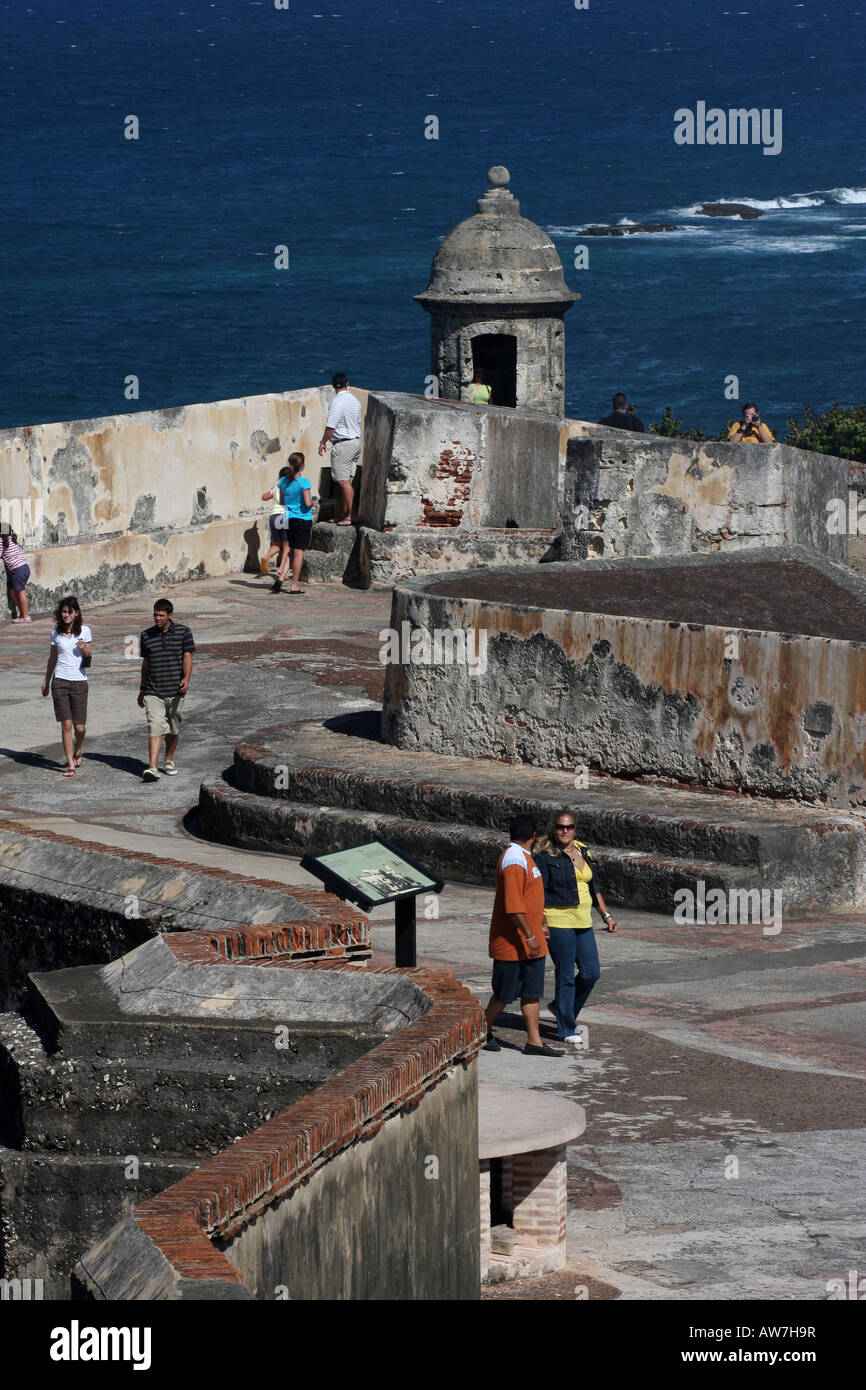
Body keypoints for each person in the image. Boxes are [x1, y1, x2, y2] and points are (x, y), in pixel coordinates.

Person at [534, 809, 618, 1047]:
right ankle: (566, 1028)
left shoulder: (583, 849)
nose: (565, 831)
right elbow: (537, 892)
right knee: (566, 974)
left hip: (583, 921)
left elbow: (594, 887)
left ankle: (561, 1008)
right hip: (558, 920)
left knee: (592, 972)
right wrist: (541, 921)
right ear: (554, 828)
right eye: (561, 827)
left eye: (569, 827)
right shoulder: (545, 855)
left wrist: (606, 915)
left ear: (574, 829)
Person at [484, 813, 563, 1057]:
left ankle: (534, 1041)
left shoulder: (525, 858)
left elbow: (530, 901)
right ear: (533, 836)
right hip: (513, 943)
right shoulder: (514, 861)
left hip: (531, 942)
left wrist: (541, 923)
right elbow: (514, 907)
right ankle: (480, 1030)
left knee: (532, 992)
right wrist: (530, 935)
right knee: (504, 993)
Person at [137, 598, 195, 782]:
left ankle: (168, 759)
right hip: (153, 690)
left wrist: (186, 678)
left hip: (176, 690)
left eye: (161, 615)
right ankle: (152, 767)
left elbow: (187, 657)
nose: (157, 618)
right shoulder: (146, 635)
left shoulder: (183, 632)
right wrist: (142, 688)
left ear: (170, 615)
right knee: (155, 727)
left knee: (173, 728)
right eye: (155, 615)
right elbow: (146, 664)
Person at [40, 596, 92, 776]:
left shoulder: (85, 631)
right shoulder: (55, 633)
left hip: (79, 682)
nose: (66, 615)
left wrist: (84, 648)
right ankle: (70, 763)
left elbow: (89, 655)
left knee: (80, 728)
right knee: (66, 724)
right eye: (63, 611)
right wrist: (47, 680)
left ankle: (79, 748)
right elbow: (53, 658)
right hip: (60, 682)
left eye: (70, 612)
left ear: (76, 613)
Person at [318, 372, 361, 525]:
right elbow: (357, 423)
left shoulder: (337, 402)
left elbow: (331, 426)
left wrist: (323, 442)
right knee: (347, 481)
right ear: (347, 383)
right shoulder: (355, 401)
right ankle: (344, 514)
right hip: (355, 442)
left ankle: (351, 516)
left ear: (333, 386)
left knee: (343, 482)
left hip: (343, 445)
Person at [272, 452, 314, 594]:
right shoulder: (304, 482)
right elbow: (308, 503)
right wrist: (314, 502)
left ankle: (281, 578)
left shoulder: (283, 481)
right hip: (303, 519)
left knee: (289, 550)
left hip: (287, 518)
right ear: (302, 465)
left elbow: (283, 501)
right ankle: (294, 585)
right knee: (298, 552)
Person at [260, 466, 290, 576]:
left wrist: (272, 490)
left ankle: (266, 556)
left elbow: (264, 497)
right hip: (285, 515)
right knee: (287, 546)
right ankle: (282, 571)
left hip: (274, 516)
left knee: (277, 544)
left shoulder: (276, 488)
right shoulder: (290, 487)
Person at [2, 529, 32, 622]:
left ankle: (26, 616)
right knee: (12, 592)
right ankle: (22, 614)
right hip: (24, 567)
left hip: (17, 569)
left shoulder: (2, 541)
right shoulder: (12, 539)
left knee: (20, 592)